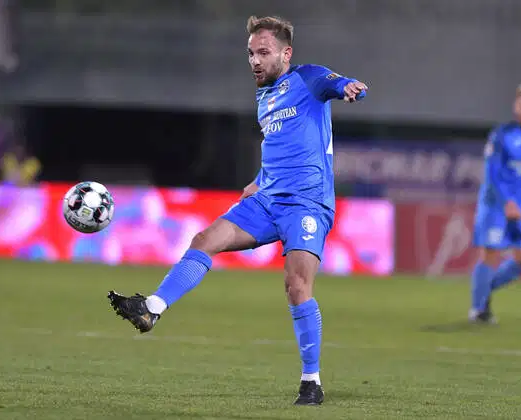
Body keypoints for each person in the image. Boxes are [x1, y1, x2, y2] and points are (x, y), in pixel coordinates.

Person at [108, 15, 368, 405]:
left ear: (286, 52)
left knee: (296, 286)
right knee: (204, 239)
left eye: (263, 52)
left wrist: (349, 87)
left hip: (307, 203)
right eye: (250, 53)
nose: (255, 61)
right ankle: (152, 309)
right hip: (267, 201)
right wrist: (258, 179)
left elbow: (335, 83)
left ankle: (311, 380)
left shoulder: (308, 78)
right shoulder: (264, 97)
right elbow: (281, 146)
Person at [470, 81, 521, 323]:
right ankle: (478, 310)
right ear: (515, 107)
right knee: (491, 255)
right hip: (495, 204)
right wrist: (506, 201)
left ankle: (484, 291)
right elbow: (493, 172)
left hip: (519, 207)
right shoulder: (502, 134)